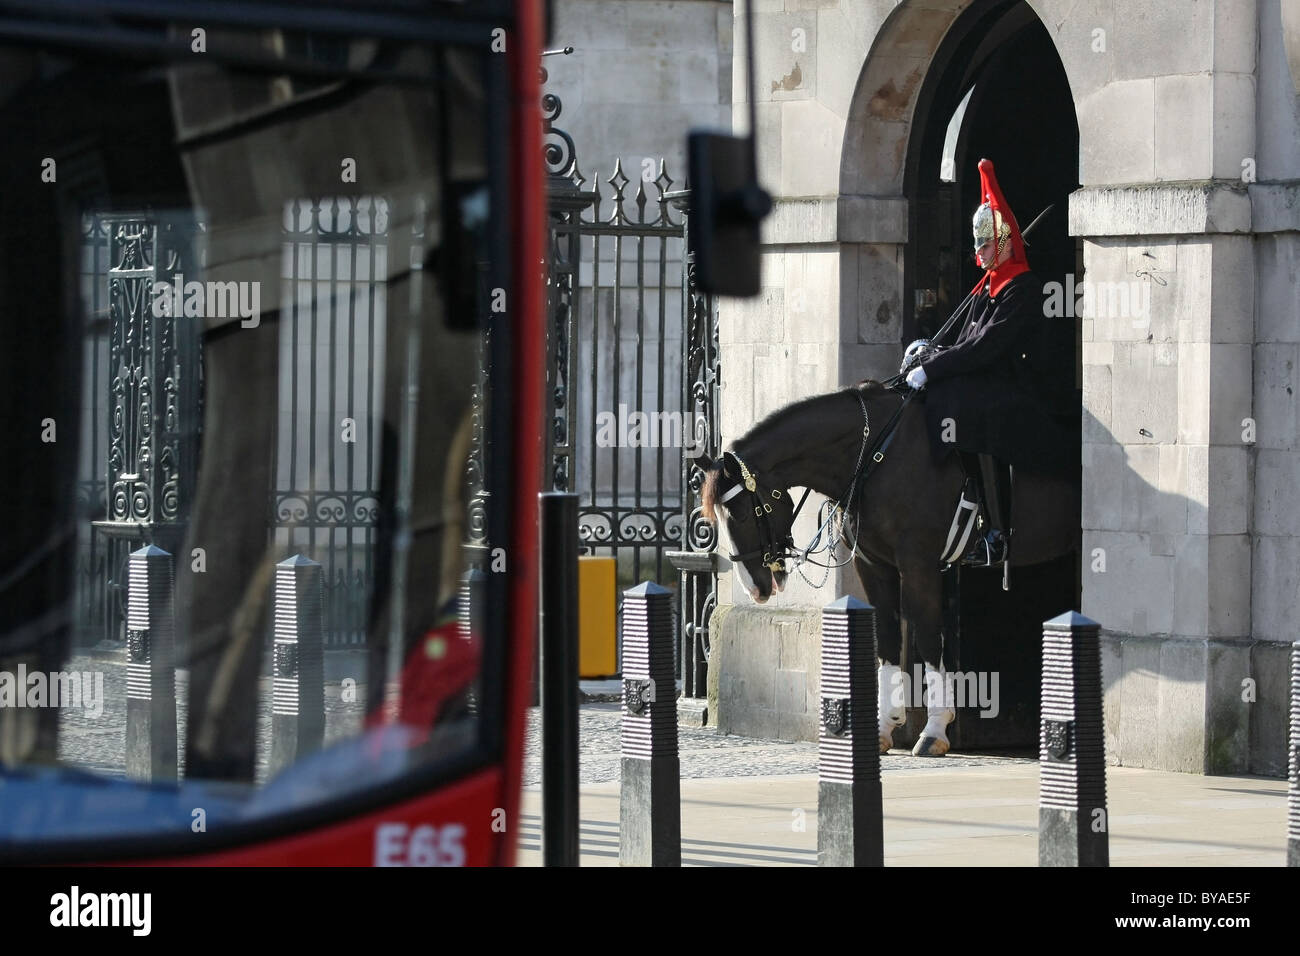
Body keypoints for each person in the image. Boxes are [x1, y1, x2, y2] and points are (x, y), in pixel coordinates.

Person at [904, 158, 1060, 567]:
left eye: (984, 244)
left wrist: (934, 369)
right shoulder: (988, 288)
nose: (977, 252)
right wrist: (929, 354)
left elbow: (986, 347)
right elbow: (962, 341)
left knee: (961, 405)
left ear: (1005, 242)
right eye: (975, 244)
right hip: (985, 380)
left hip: (1015, 386)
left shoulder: (1020, 290)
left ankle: (995, 530)